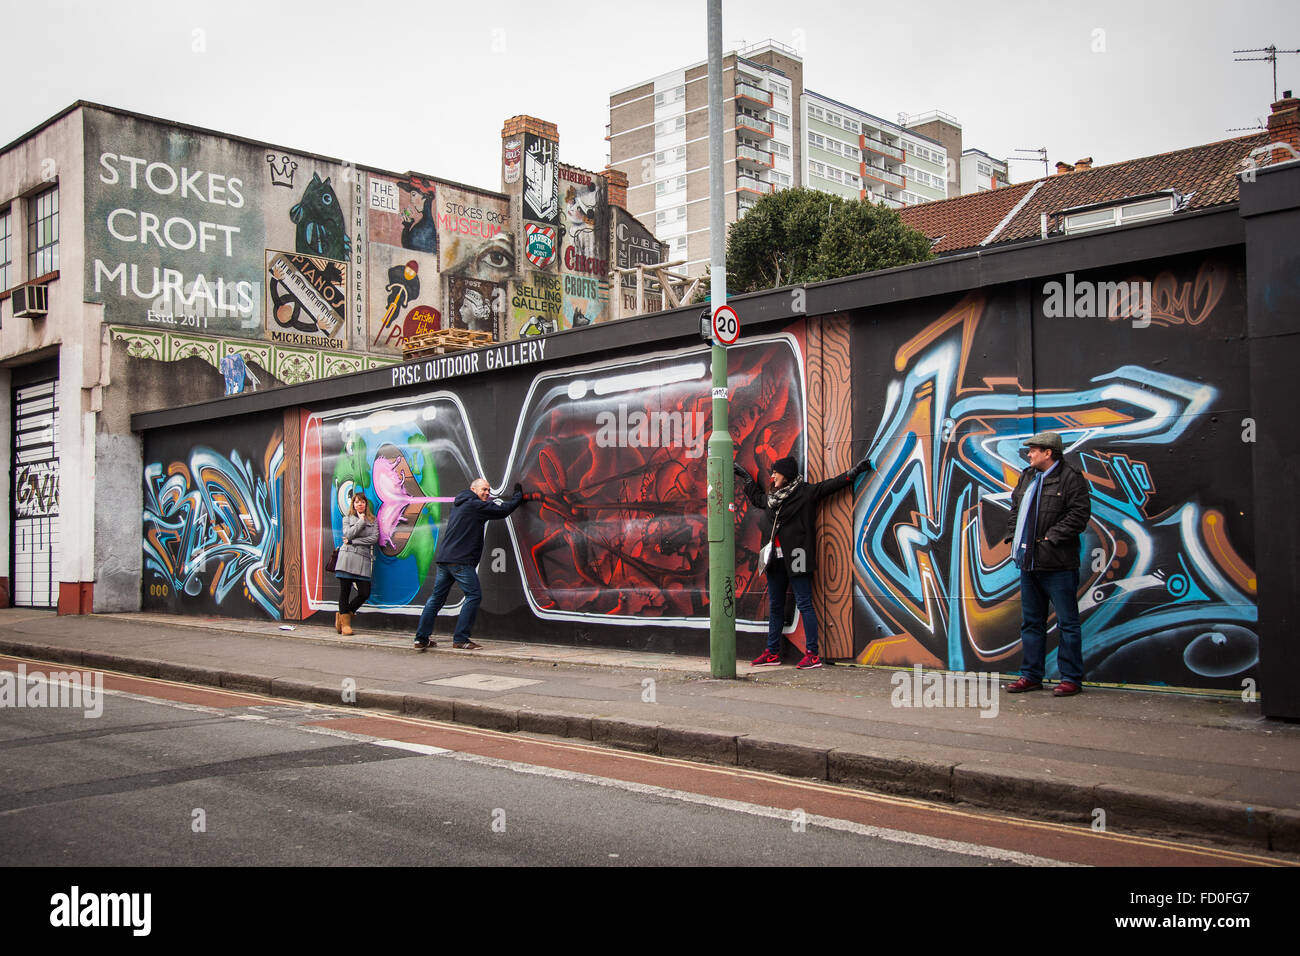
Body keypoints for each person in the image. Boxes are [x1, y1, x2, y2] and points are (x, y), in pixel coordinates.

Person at [734, 452, 872, 669]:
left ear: (787, 475)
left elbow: (831, 485)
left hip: (798, 556)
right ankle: (772, 653)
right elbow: (758, 499)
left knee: (804, 603)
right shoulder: (773, 498)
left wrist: (854, 473)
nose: (772, 477)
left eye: (775, 474)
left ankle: (812, 654)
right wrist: (747, 479)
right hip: (774, 560)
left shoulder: (805, 493)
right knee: (776, 605)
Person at [1002, 431, 1092, 696]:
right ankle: (1031, 675)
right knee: (1031, 622)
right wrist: (1012, 535)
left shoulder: (1070, 478)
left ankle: (1071, 679)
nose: (1029, 454)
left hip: (1059, 565)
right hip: (1029, 563)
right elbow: (1015, 510)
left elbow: (1079, 514)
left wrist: (1051, 538)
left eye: (1033, 450)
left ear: (1048, 452)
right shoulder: (1028, 477)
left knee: (1068, 623)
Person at [413, 478, 526, 650]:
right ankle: (461, 639)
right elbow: (503, 510)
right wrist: (518, 496)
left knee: (436, 599)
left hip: (445, 559)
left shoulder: (460, 503)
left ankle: (421, 639)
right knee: (474, 595)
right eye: (484, 490)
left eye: (488, 490)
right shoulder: (475, 505)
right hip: (460, 560)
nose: (487, 493)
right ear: (473, 489)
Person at [335, 492, 379, 636]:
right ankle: (346, 624)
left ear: (366, 504)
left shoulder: (373, 520)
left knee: (364, 593)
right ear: (353, 504)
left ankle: (343, 614)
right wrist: (360, 522)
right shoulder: (347, 518)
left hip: (363, 558)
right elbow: (347, 534)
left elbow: (374, 539)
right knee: (345, 592)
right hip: (347, 557)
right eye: (356, 502)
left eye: (362, 502)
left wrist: (354, 541)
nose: (359, 504)